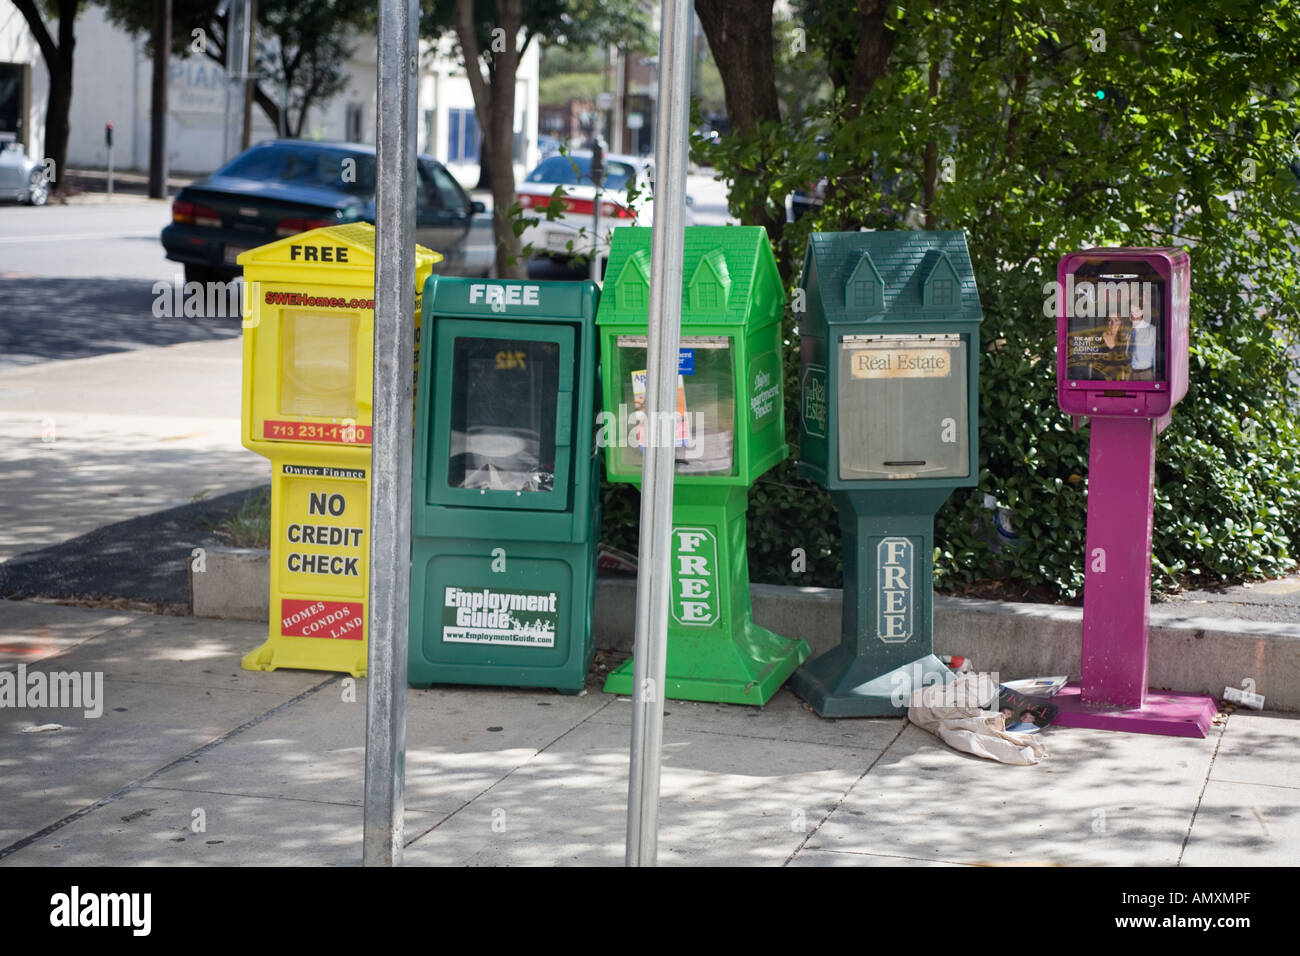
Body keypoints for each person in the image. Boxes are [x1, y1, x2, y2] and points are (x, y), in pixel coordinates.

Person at [1127, 303, 1158, 381]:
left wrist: (1154, 374)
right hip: (1131, 373)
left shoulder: (1151, 330)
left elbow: (1155, 353)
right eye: (1131, 312)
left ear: (1142, 312)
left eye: (1136, 311)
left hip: (1146, 373)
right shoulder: (1128, 331)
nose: (1133, 314)